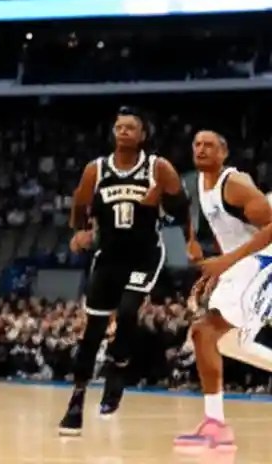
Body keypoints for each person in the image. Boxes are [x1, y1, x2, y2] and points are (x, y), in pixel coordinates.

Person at [57, 107, 195, 436]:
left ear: (143, 135)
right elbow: (79, 204)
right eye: (119, 127)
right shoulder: (96, 169)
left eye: (130, 127)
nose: (123, 132)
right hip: (108, 257)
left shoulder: (158, 168)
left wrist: (187, 235)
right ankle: (77, 399)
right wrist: (79, 232)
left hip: (144, 255)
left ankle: (117, 369)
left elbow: (181, 207)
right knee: (92, 332)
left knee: (129, 310)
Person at [172, 130, 272, 450]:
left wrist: (227, 261)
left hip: (263, 261)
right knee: (228, 343)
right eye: (197, 144)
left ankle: (216, 426)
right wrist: (221, 267)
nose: (201, 149)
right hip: (243, 263)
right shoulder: (204, 186)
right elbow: (229, 234)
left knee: (205, 332)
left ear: (224, 153)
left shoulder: (235, 184)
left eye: (209, 145)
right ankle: (214, 424)